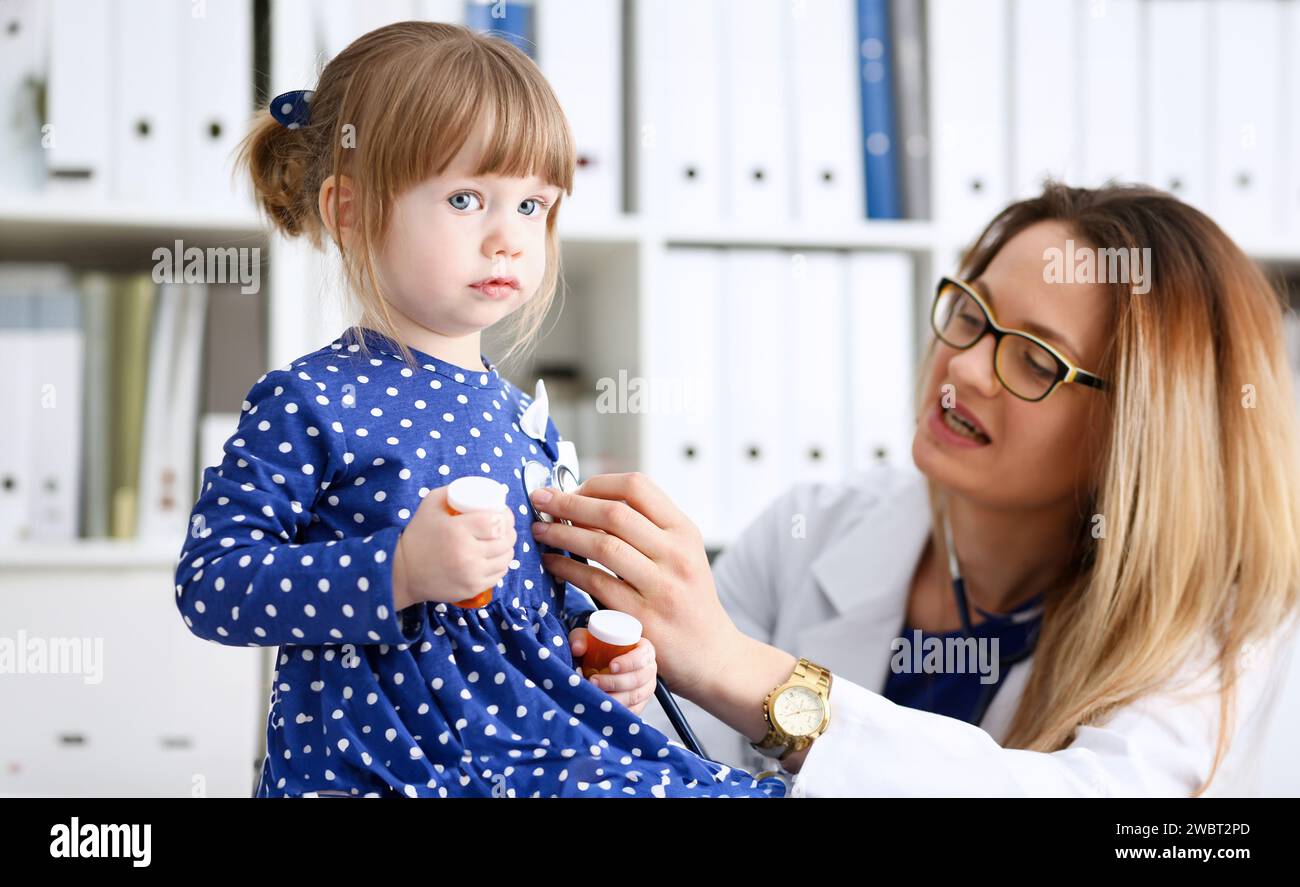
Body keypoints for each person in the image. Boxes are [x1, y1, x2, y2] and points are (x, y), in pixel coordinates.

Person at [174, 21, 784, 799]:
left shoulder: (522, 417)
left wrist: (605, 660)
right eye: (466, 198)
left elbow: (538, 603)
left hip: (532, 748)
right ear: (351, 211)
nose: (508, 239)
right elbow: (212, 582)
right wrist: (396, 570)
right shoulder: (309, 399)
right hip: (391, 768)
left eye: (533, 205)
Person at [535, 183, 1300, 797]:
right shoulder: (808, 530)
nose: (963, 367)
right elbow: (649, 764)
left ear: (1142, 430)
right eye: (972, 314)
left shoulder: (1221, 630)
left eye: (1035, 361)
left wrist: (741, 670)